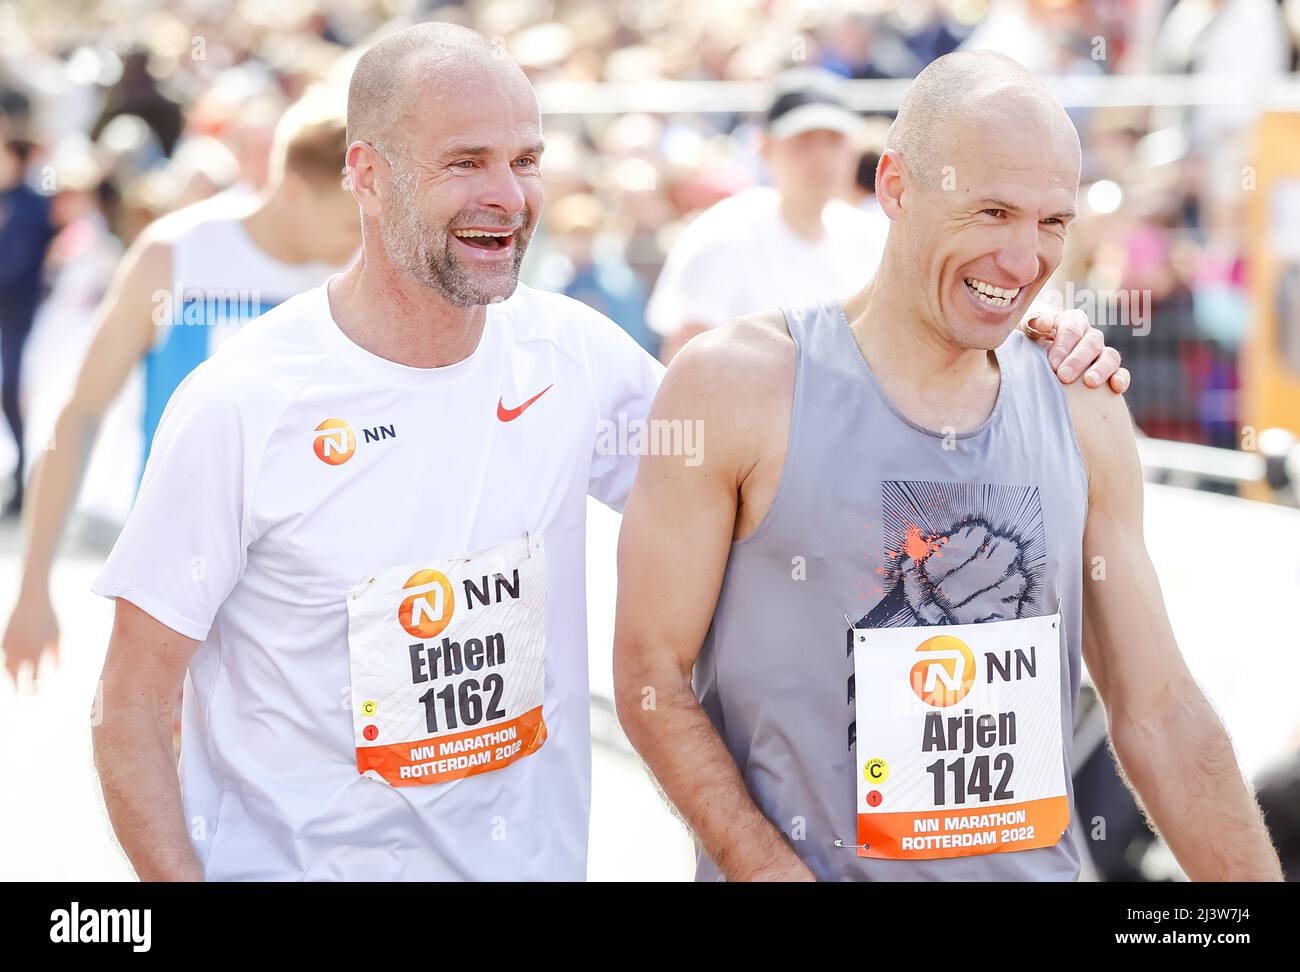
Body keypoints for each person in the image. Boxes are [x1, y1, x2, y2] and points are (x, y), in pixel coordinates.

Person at [84, 26, 1120, 882]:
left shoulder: (572, 356)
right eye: (465, 163)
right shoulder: (242, 403)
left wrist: (1009, 324)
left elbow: (787, 458)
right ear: (366, 175)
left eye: (525, 160)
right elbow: (129, 709)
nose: (508, 193)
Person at [613, 51, 1282, 882]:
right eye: (992, 211)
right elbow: (649, 670)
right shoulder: (736, 384)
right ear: (895, 186)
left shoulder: (1082, 401)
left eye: (1051, 223)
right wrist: (766, 869)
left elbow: (1161, 712)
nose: (1023, 259)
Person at [2, 91, 358, 684]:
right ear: (294, 191)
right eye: (351, 220)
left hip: (317, 589)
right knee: (164, 765)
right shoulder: (176, 256)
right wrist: (33, 586)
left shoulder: (362, 270)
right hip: (184, 582)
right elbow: (80, 414)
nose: (363, 237)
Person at [646, 69, 890, 363]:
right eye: (804, 141)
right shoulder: (722, 237)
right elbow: (684, 365)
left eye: (834, 140)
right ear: (766, 148)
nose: (822, 157)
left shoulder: (870, 238)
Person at [0, 135, 56, 516]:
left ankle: (25, 478)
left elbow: (18, 264)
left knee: (15, 393)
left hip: (22, 317)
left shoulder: (34, 204)